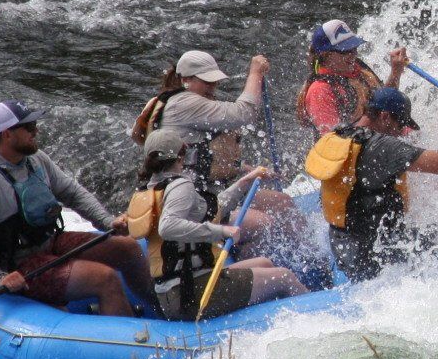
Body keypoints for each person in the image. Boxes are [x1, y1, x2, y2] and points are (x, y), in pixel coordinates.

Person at [0, 100, 158, 317]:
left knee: (129, 248)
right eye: (28, 127)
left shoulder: (35, 160)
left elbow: (72, 193)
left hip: (49, 242)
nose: (36, 131)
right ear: (7, 134)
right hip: (18, 265)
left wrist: (107, 222)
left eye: (35, 124)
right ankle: (127, 336)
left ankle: (164, 314)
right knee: (105, 278)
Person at [305, 87, 438, 280]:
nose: (401, 132)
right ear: (384, 117)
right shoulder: (382, 147)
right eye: (400, 125)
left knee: (432, 233)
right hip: (373, 255)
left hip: (344, 246)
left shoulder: (339, 134)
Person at [130, 129, 308, 319]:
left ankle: (275, 319)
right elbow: (168, 226)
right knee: (284, 277)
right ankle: (315, 317)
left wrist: (245, 181)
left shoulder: (148, 190)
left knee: (264, 263)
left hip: (173, 294)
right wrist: (221, 231)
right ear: (180, 156)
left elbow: (213, 211)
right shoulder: (180, 186)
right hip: (194, 294)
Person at [128, 50, 269, 192]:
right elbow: (244, 113)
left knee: (278, 199)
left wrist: (242, 168)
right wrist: (255, 73)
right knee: (276, 203)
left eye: (214, 82)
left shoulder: (169, 100)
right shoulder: (185, 104)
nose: (212, 87)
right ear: (185, 80)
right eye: (207, 82)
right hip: (184, 194)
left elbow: (196, 156)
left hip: (175, 187)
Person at [295, 19, 409, 134]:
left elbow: (385, 103)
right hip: (361, 144)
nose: (353, 55)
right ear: (326, 55)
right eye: (345, 51)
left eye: (354, 48)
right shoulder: (320, 91)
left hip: (380, 137)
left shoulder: (359, 69)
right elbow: (334, 141)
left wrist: (396, 71)